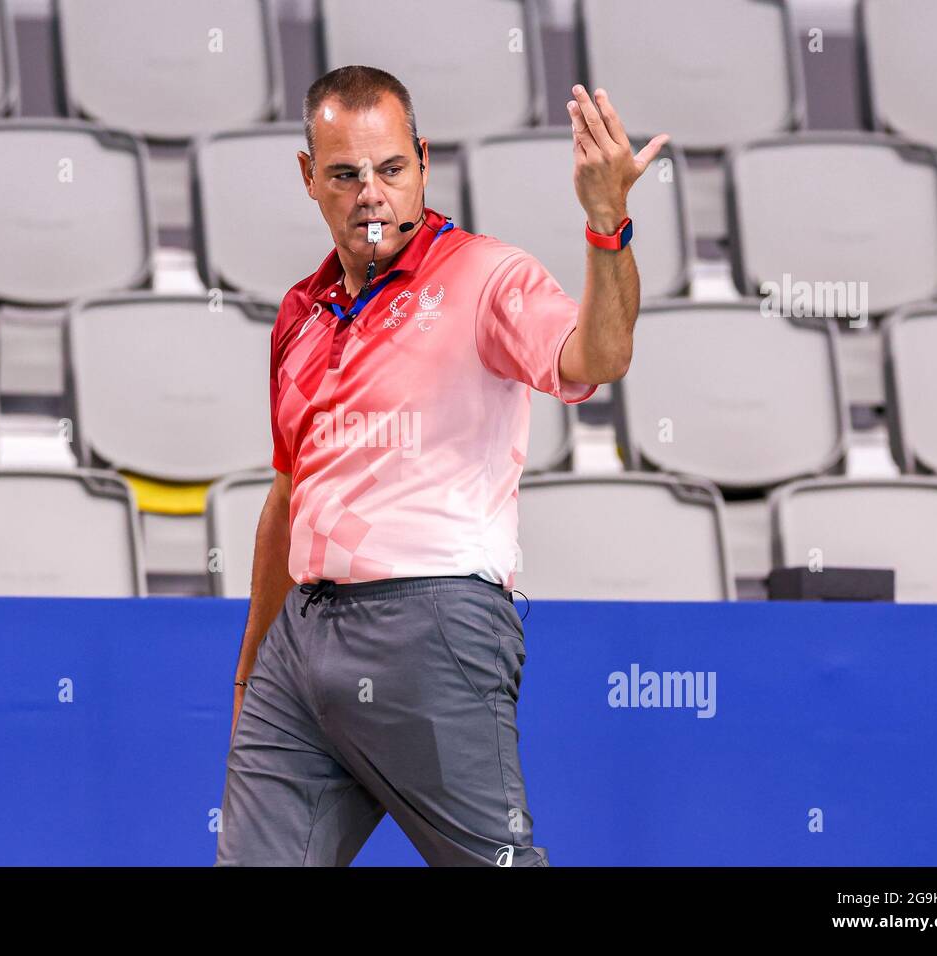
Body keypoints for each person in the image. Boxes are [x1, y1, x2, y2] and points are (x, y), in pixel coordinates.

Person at [215, 65, 668, 866]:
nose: (371, 194)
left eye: (391, 169)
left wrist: (608, 225)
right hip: (299, 648)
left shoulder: (487, 276)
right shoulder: (298, 314)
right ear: (308, 177)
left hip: (430, 627)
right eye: (346, 174)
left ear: (423, 161)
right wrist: (253, 673)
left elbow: (602, 353)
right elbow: (289, 495)